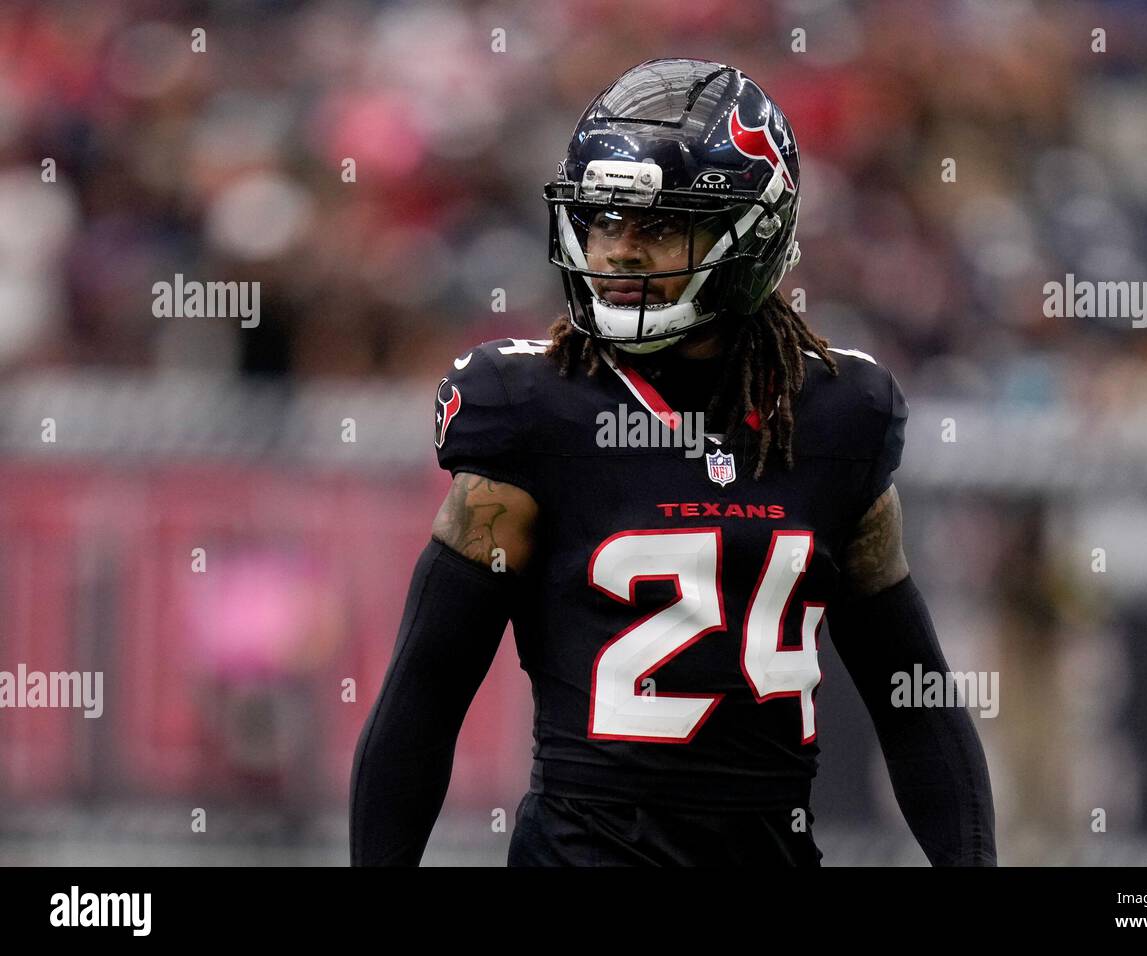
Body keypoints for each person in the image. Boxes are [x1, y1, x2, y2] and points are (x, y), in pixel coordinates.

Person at [350, 57, 996, 866]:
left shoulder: (834, 415)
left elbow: (915, 703)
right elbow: (427, 691)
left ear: (752, 235)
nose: (617, 251)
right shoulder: (529, 408)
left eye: (656, 226)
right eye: (603, 220)